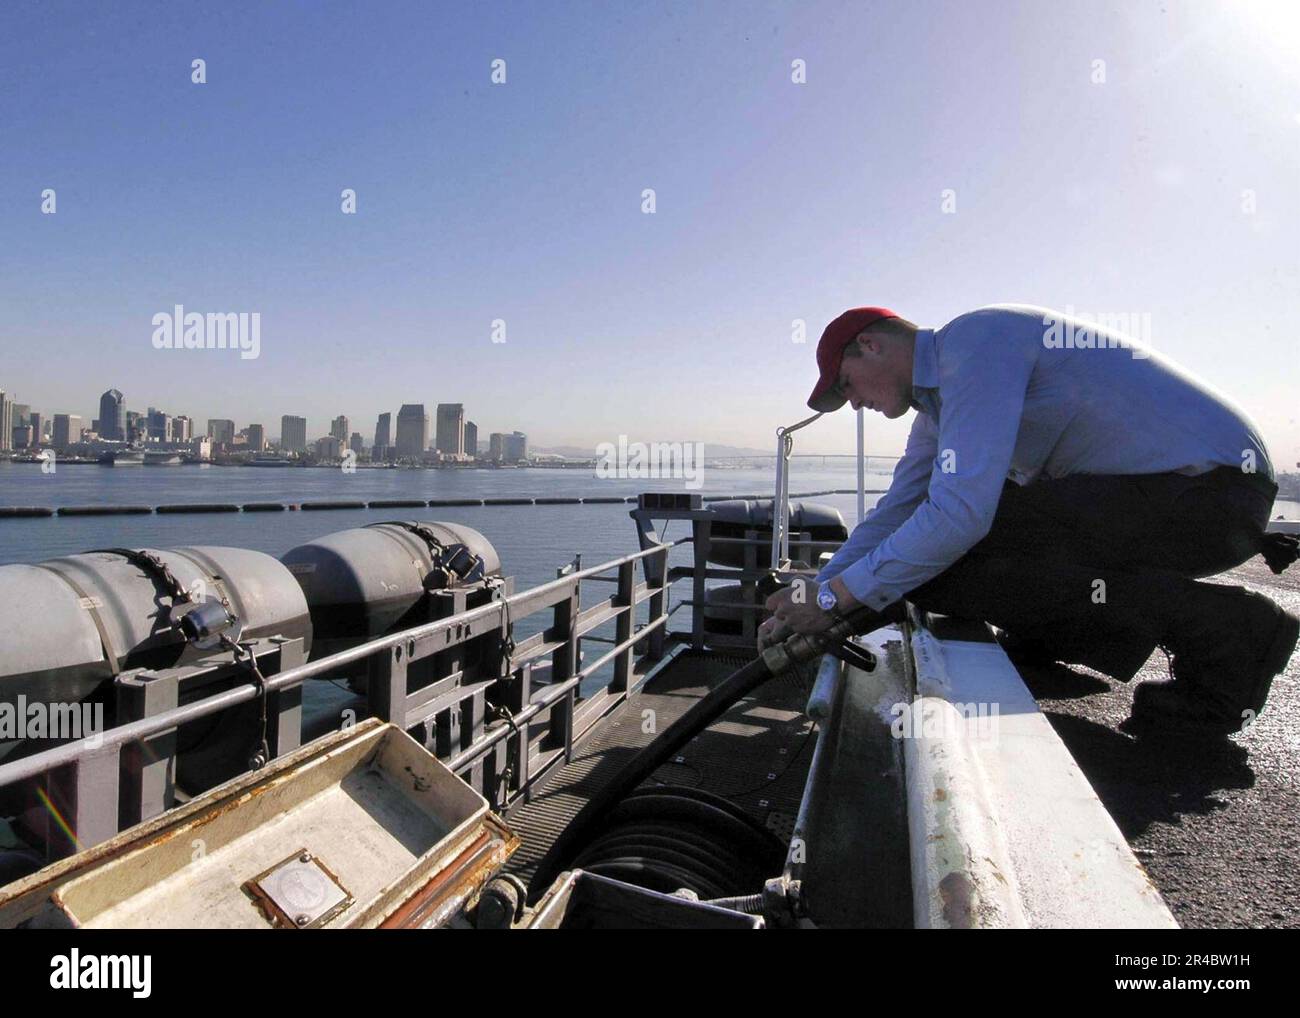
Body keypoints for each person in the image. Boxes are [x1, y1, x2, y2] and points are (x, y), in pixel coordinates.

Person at [760, 304, 1299, 737]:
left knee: (946, 551)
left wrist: (836, 600)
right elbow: (897, 511)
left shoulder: (973, 343)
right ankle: (1046, 644)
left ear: (871, 345)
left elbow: (959, 516)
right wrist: (818, 591)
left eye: (846, 384)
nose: (852, 403)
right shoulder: (941, 401)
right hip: (1176, 498)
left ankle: (1231, 632)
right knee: (927, 551)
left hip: (1210, 495)